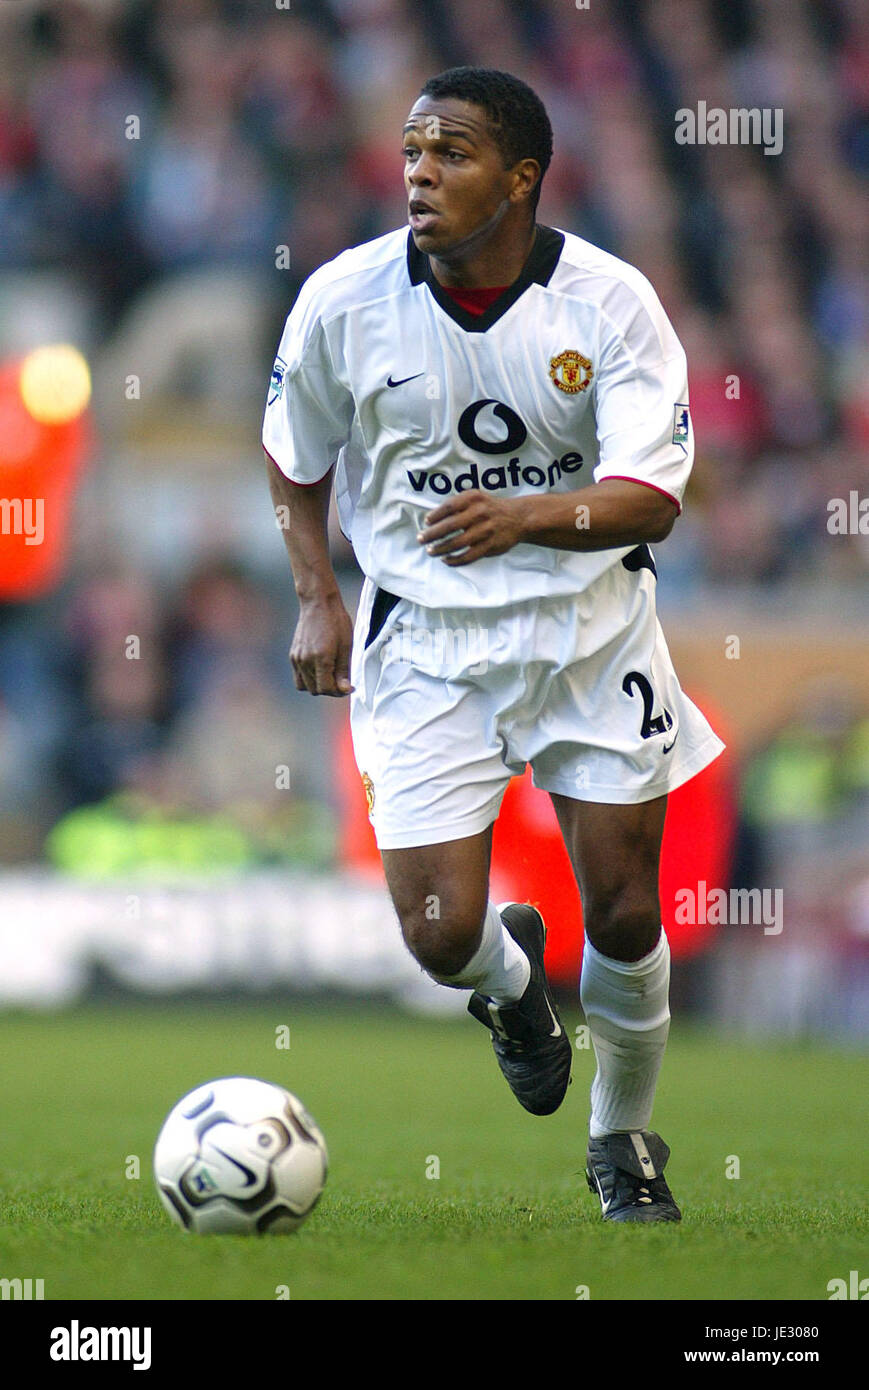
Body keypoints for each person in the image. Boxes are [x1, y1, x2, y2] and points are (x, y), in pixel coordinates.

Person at [263, 67, 724, 1223]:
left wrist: (521, 516)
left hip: (587, 628)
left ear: (521, 177)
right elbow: (293, 450)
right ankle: (511, 990)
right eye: (413, 151)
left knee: (620, 912)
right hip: (420, 640)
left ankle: (620, 1144)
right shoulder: (343, 300)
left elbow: (651, 499)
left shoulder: (609, 304)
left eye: (452, 152)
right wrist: (318, 591)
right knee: (436, 936)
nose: (419, 172)